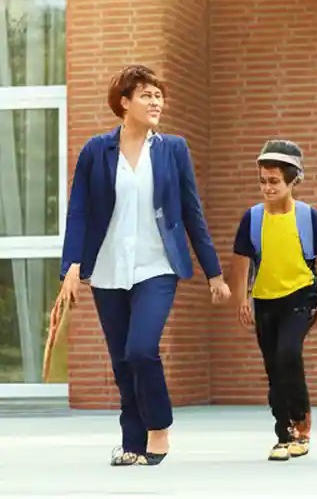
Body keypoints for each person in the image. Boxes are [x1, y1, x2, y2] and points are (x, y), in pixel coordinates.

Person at [57, 65, 231, 466]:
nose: (156, 102)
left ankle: (159, 428)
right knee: (121, 359)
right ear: (124, 102)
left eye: (159, 95)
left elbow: (192, 212)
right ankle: (132, 444)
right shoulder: (95, 151)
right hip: (107, 268)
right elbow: (79, 211)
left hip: (157, 266)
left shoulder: (173, 149)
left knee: (140, 349)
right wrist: (71, 266)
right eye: (146, 95)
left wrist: (214, 273)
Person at [231, 139, 317, 461]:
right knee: (274, 367)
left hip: (300, 295)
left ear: (293, 180)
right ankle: (283, 433)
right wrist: (242, 300)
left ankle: (302, 424)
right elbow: (241, 261)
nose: (267, 187)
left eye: (274, 181)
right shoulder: (253, 218)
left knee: (289, 354)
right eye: (262, 180)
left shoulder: (308, 217)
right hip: (265, 299)